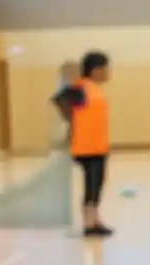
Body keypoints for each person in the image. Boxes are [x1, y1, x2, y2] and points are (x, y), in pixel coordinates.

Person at [53, 51, 113, 237]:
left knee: (98, 184)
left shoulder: (93, 88)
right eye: (105, 69)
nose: (107, 73)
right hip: (86, 147)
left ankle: (95, 219)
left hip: (98, 146)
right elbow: (60, 99)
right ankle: (89, 223)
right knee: (92, 184)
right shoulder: (82, 87)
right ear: (95, 70)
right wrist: (71, 120)